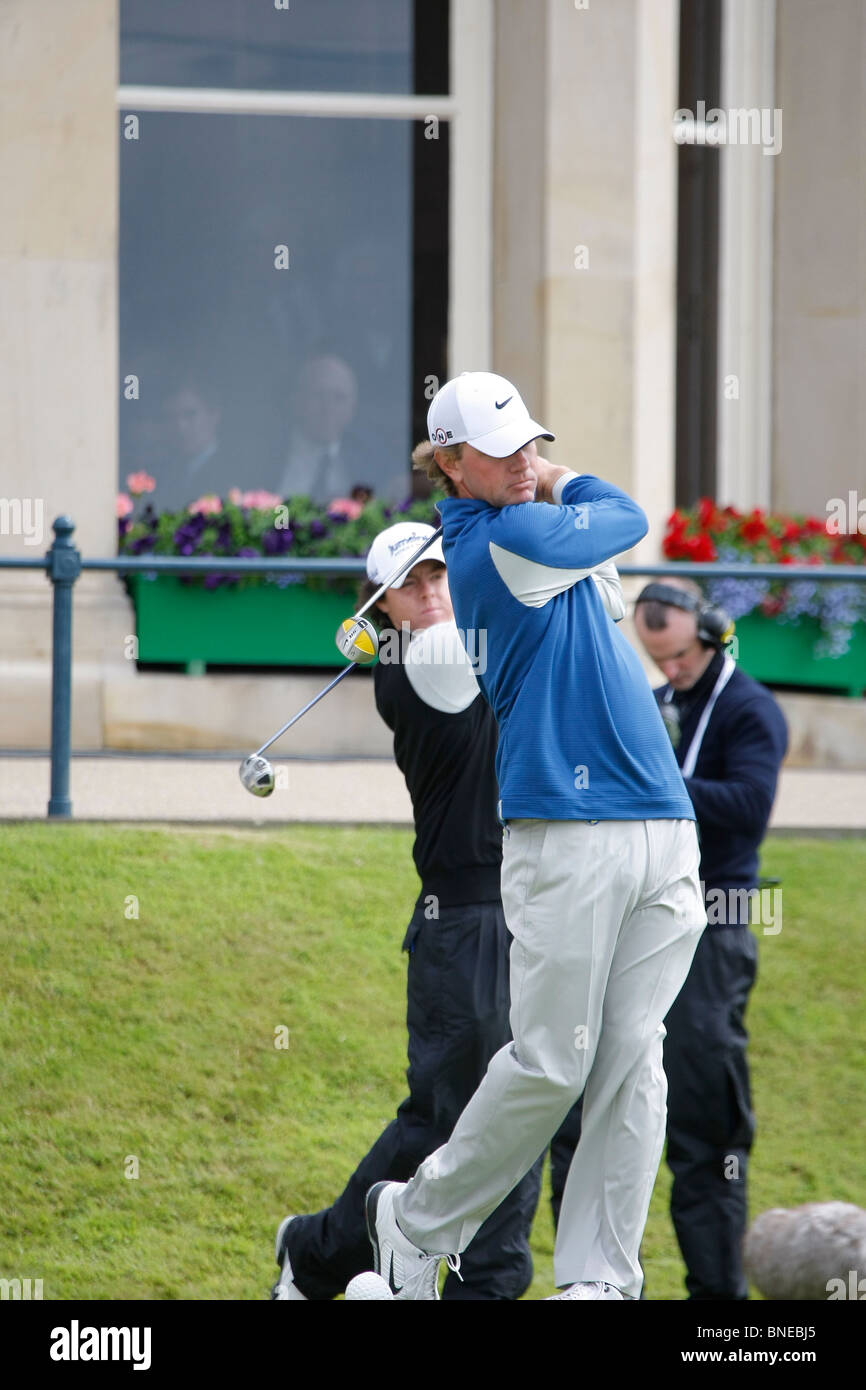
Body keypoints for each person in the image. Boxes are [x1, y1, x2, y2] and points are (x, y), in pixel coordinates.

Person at [364, 370, 708, 1301]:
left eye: (531, 442)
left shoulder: (525, 518)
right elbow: (630, 516)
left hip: (660, 818)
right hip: (565, 825)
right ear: (449, 464)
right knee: (553, 1059)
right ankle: (417, 1219)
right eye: (501, 448)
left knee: (637, 1067)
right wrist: (560, 483)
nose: (524, 460)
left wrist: (545, 477)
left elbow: (610, 532)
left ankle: (601, 1279)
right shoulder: (495, 540)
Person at [271, 520, 546, 1300]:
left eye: (440, 575)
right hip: (464, 922)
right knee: (447, 1120)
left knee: (520, 1105)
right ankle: (319, 1252)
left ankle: (478, 1281)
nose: (432, 593)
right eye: (412, 585)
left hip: (524, 907)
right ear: (386, 606)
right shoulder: (419, 661)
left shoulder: (458, 642)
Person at [549, 576, 787, 1300]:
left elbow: (747, 808)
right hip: (642, 910)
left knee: (704, 1127)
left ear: (711, 635)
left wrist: (652, 780)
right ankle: (588, 1281)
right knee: (581, 1105)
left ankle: (721, 1304)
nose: (672, 671)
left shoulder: (751, 710)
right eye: (660, 660)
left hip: (719, 917)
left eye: (681, 657)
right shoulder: (660, 703)